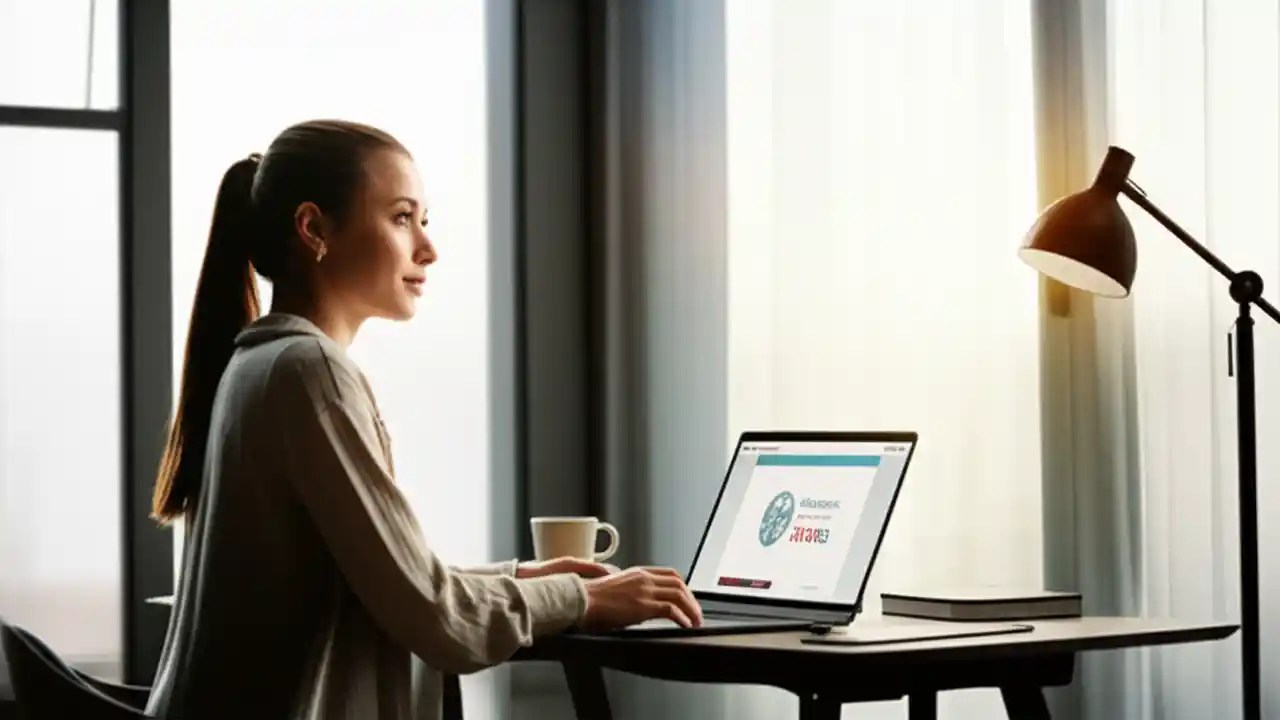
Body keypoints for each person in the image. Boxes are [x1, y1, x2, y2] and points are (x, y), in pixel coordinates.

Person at [144, 119, 702, 720]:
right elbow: (433, 616)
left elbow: (380, 590)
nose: (427, 249)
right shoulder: (309, 371)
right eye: (402, 218)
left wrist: (522, 578)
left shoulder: (257, 365)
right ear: (314, 229)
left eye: (423, 221)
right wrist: (582, 599)